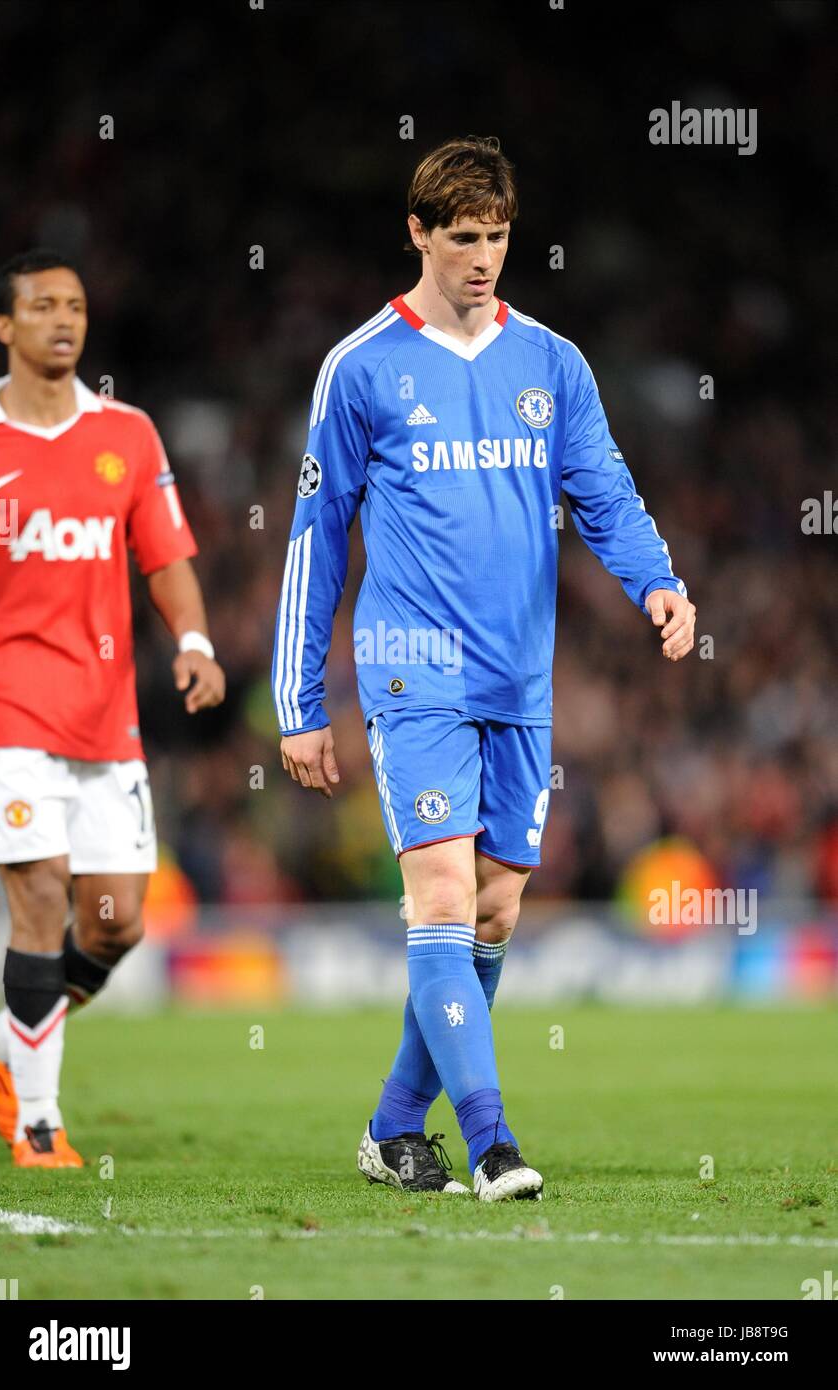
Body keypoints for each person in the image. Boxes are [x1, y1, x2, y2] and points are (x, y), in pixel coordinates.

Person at [272, 136, 696, 1200]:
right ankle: (493, 1140)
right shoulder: (362, 366)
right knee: (443, 896)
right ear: (417, 233)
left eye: (497, 237)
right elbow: (315, 536)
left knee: (496, 911)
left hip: (519, 677)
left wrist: (656, 579)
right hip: (412, 670)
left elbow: (603, 485)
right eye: (462, 237)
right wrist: (300, 699)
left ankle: (389, 1128)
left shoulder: (550, 363)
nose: (482, 257)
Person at [0, 248, 225, 1167]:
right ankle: (38, 1123)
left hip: (104, 718)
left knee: (117, 922)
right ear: (4, 327)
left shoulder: (126, 433)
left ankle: (8, 1040)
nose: (64, 320)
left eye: (75, 305)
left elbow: (165, 559)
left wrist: (194, 644)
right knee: (39, 897)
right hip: (2, 710)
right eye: (42, 306)